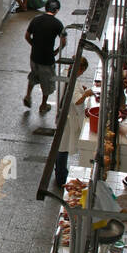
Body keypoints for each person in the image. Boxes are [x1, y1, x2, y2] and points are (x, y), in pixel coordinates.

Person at [53, 55, 96, 185]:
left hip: (61, 114)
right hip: (67, 118)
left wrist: (80, 89)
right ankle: (61, 177)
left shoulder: (65, 73)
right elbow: (77, 101)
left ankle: (60, 172)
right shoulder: (73, 81)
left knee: (60, 144)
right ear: (80, 68)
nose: (82, 73)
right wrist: (86, 93)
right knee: (63, 147)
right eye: (82, 71)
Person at [24, 0, 67, 113]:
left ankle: (28, 96)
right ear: (56, 10)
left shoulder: (35, 20)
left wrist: (34, 45)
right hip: (47, 59)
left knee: (33, 75)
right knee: (47, 82)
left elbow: (27, 36)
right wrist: (57, 51)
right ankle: (43, 105)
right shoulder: (57, 24)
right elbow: (64, 41)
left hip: (34, 56)